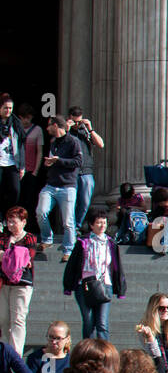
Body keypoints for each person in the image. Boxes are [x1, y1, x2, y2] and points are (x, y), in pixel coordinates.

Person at [63, 209, 124, 341]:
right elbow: (73, 264)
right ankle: (88, 351)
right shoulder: (83, 242)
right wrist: (68, 286)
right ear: (91, 225)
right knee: (88, 321)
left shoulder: (111, 243)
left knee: (102, 323)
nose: (102, 226)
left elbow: (117, 266)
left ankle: (104, 353)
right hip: (84, 285)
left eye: (104, 222)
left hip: (105, 284)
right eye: (98, 223)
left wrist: (120, 288)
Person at [35, 115, 85, 262]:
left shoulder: (73, 141)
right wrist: (50, 163)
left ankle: (68, 249)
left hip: (67, 186)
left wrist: (59, 160)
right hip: (51, 185)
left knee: (68, 222)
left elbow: (79, 161)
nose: (47, 128)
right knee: (41, 211)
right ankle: (47, 238)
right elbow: (55, 160)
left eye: (49, 125)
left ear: (56, 126)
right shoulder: (53, 142)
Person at [1, 205, 36, 351]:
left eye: (14, 221)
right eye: (8, 221)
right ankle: (4, 351)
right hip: (4, 283)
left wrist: (6, 255)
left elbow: (28, 258)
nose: (10, 225)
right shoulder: (3, 238)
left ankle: (15, 355)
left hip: (22, 284)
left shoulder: (29, 238)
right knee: (3, 319)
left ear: (23, 222)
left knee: (18, 319)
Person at [64, 108, 103, 235]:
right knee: (70, 200)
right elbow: (57, 144)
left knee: (85, 200)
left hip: (86, 170)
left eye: (78, 122)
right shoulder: (65, 132)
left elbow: (101, 144)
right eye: (74, 121)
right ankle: (69, 227)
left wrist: (89, 128)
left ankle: (77, 226)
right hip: (70, 170)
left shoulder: (85, 131)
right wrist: (67, 129)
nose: (77, 124)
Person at [0, 95, 22, 215]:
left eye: (10, 108)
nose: (8, 110)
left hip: (12, 162)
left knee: (15, 190)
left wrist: (22, 166)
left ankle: (7, 215)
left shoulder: (15, 123)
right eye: (5, 108)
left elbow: (20, 145)